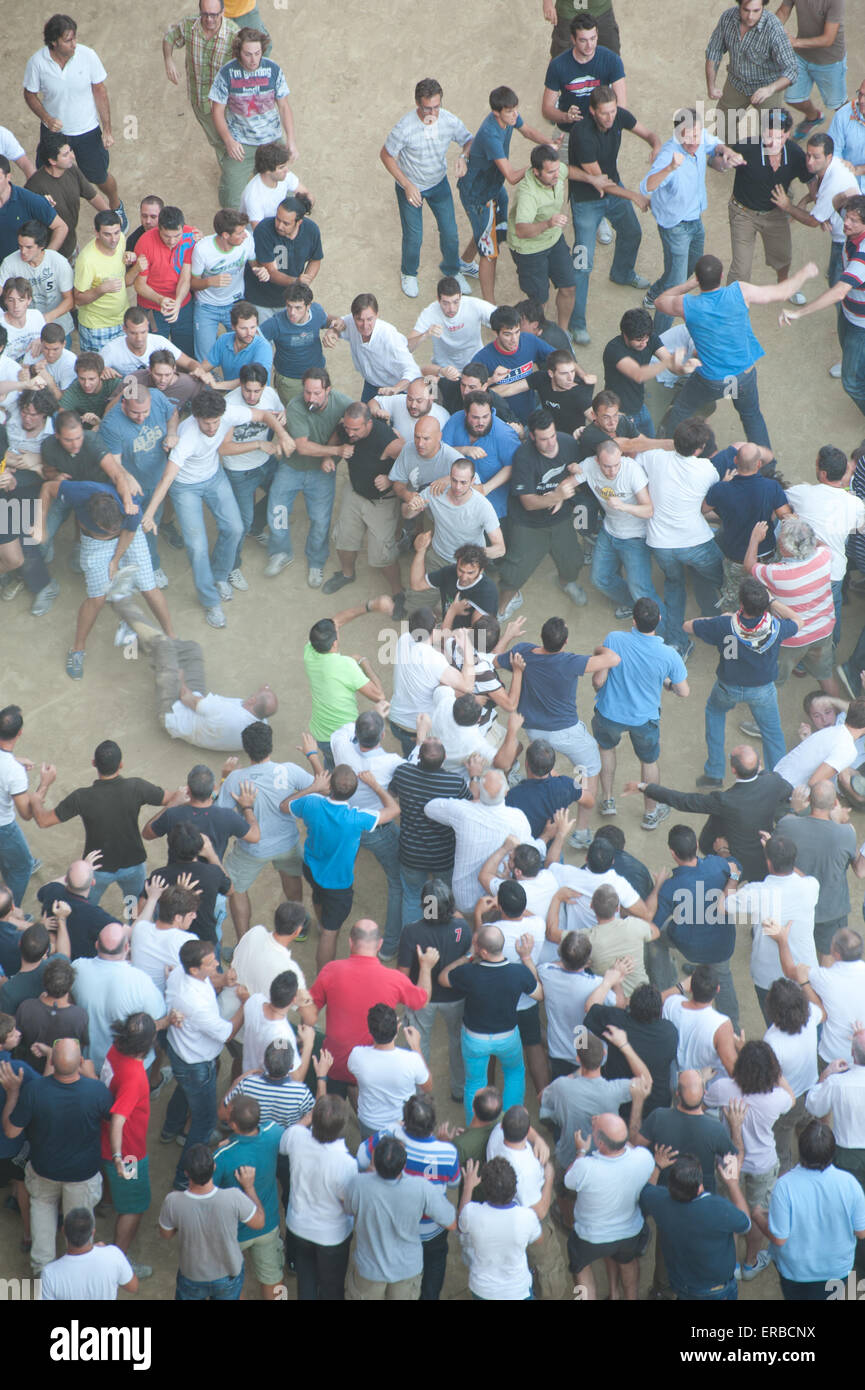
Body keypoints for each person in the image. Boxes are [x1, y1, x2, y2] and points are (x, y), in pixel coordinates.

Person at [141, 386, 292, 627]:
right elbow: (166, 479)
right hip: (185, 487)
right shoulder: (187, 436)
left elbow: (264, 415)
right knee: (197, 545)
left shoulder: (229, 412)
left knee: (235, 527)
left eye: (216, 422)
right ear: (196, 418)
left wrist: (282, 435)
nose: (212, 428)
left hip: (214, 476)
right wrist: (149, 514)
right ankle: (210, 601)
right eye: (206, 423)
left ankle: (220, 575)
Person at [656, 252, 819, 447]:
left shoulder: (686, 304)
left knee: (682, 409)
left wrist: (689, 285)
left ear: (698, 279)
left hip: (711, 380)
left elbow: (660, 301)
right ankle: (767, 468)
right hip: (743, 376)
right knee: (751, 416)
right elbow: (782, 292)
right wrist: (804, 273)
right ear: (722, 275)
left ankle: (665, 449)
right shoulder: (739, 291)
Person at [0, 1039, 112, 1276]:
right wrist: (92, 1076)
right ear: (81, 1062)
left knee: (41, 1213)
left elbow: (11, 1131)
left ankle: (43, 1273)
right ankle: (79, 1274)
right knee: (79, 1226)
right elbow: (113, 1119)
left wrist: (12, 1093)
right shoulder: (97, 1091)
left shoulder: (34, 1090)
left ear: (50, 1062)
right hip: (82, 1175)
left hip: (43, 1170)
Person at [283, 757, 399, 972]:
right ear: (353, 793)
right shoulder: (356, 817)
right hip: (338, 884)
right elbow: (393, 809)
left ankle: (321, 921)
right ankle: (324, 975)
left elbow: (284, 806)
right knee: (331, 932)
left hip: (311, 868)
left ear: (329, 786)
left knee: (318, 896)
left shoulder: (312, 802)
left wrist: (313, 788)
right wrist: (374, 785)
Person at [298, 919, 435, 1096]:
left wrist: (303, 1040)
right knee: (364, 1099)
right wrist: (426, 967)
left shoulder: (331, 970)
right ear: (380, 944)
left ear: (350, 942)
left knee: (331, 1109)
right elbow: (422, 1000)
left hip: (334, 1062)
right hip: (372, 1068)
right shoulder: (395, 979)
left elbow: (310, 1012)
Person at [566, 87, 659, 342]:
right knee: (582, 263)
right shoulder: (582, 134)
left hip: (613, 191)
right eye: (604, 113)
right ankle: (577, 323)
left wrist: (656, 145)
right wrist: (635, 196)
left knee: (632, 232)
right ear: (593, 111)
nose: (610, 118)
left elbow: (648, 133)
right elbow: (602, 182)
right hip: (588, 200)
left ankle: (622, 273)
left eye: (613, 111)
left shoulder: (619, 116)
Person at [684, 576, 798, 783]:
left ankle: (714, 773)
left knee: (715, 713)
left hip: (728, 687)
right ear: (765, 605)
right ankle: (779, 783)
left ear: (742, 603)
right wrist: (773, 602)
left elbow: (687, 626)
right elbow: (799, 620)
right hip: (762, 690)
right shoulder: (775, 626)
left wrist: (722, 618)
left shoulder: (724, 624)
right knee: (772, 734)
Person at [30, 738, 167, 908]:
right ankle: (132, 925)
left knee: (86, 905)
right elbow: (171, 798)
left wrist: (41, 788)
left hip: (97, 868)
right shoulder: (136, 786)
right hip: (133, 864)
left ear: (94, 763)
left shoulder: (81, 797)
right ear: (121, 764)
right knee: (132, 905)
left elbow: (43, 821)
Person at [641, 109, 743, 335]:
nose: (694, 142)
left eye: (697, 135)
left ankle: (653, 294)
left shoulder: (700, 136)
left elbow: (714, 144)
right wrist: (669, 168)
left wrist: (727, 151)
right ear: (678, 134)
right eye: (688, 137)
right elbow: (646, 186)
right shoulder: (669, 155)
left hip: (694, 219)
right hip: (675, 226)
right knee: (676, 288)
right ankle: (658, 339)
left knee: (691, 266)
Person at [590, 597, 688, 829]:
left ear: (633, 620)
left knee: (606, 750)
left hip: (608, 714)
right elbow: (683, 692)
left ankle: (607, 801)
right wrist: (666, 681)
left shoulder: (614, 638)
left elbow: (600, 676)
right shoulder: (669, 655)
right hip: (644, 720)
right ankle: (650, 813)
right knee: (649, 761)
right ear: (659, 620)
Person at [705, 1041, 796, 1279]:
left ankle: (731, 1265)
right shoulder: (777, 1097)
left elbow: (704, 1104)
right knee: (758, 1213)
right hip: (762, 1162)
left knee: (728, 1211)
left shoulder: (723, 1087)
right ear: (772, 1070)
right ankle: (750, 1263)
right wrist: (777, 1073)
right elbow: (792, 1098)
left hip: (729, 1161)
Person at [161, 938, 245, 1188]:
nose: (217, 963)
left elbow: (209, 980)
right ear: (195, 969)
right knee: (205, 1120)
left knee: (184, 1090)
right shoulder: (195, 1003)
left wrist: (221, 980)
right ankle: (182, 1179)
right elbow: (227, 1032)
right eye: (211, 963)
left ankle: (170, 1129)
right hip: (196, 1063)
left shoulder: (180, 974)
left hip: (180, 1051)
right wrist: (246, 1004)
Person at [380, 78, 473, 300]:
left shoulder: (448, 120)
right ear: (417, 103)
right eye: (427, 107)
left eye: (436, 106)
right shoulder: (404, 127)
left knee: (450, 232)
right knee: (414, 236)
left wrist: (463, 157)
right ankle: (409, 272)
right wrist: (406, 184)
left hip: (439, 184)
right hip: (412, 187)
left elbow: (469, 140)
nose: (432, 112)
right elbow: (386, 155)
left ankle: (451, 270)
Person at [457, 85, 551, 304]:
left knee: (486, 231)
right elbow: (510, 175)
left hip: (493, 186)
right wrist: (539, 165)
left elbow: (527, 131)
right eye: (509, 111)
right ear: (496, 113)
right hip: (478, 196)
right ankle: (490, 308)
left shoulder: (510, 118)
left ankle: (464, 262)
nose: (514, 114)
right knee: (490, 253)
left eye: (515, 109)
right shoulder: (490, 134)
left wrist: (548, 143)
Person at [438, 923, 540, 1123]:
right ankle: (513, 1125)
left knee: (475, 1083)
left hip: (475, 1039)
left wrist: (467, 957)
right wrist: (527, 958)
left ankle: (474, 1127)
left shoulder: (468, 972)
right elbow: (539, 994)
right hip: (508, 1037)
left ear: (482, 951)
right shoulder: (518, 972)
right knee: (514, 1074)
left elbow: (443, 978)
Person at [23, 16, 124, 219]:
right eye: (68, 40)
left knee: (99, 176)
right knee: (46, 177)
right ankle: (47, 218)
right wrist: (47, 118)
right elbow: (29, 94)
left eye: (74, 38)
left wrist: (107, 130)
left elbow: (100, 91)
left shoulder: (87, 56)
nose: (74, 44)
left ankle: (115, 206)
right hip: (54, 134)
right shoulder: (37, 62)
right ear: (54, 42)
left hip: (87, 131)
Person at [494, 412, 587, 623]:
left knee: (572, 560)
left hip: (560, 518)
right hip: (527, 522)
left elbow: (581, 471)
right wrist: (556, 496)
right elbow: (528, 502)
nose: (551, 443)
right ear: (532, 437)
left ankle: (567, 582)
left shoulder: (568, 442)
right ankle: (503, 606)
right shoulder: (523, 456)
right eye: (543, 439)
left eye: (552, 435)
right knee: (514, 571)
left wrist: (568, 484)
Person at [265, 367, 352, 588]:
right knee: (278, 512)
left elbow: (360, 415)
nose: (310, 398)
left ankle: (316, 561)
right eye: (307, 392)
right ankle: (281, 552)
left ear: (328, 390)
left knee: (321, 520)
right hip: (291, 466)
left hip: (320, 474)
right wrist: (335, 452)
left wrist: (379, 409)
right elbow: (302, 447)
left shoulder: (342, 403)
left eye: (316, 393)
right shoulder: (295, 406)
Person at [344, 1134, 456, 1301]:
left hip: (369, 1271)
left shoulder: (358, 1184)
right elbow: (451, 1222)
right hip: (406, 1270)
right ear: (404, 1164)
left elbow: (348, 1210)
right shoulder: (421, 1187)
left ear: (374, 1159)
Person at [330, 712, 404, 959]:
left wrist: (369, 720)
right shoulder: (391, 761)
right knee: (398, 882)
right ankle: (391, 945)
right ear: (383, 735)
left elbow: (342, 731)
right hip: (375, 829)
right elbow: (415, 767)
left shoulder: (342, 746)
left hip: (349, 824)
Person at [650, 824, 740, 1026]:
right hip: (722, 944)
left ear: (673, 854)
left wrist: (657, 887)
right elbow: (736, 865)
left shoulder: (670, 887)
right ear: (697, 845)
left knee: (656, 940)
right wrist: (723, 851)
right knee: (723, 978)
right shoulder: (718, 864)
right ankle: (733, 1028)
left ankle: (666, 986)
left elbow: (652, 926)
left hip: (689, 946)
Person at [769, 1118, 865, 1300]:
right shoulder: (850, 1184)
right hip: (837, 1270)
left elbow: (779, 1238)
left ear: (801, 1151)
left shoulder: (784, 1186)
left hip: (795, 1271)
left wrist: (758, 1216)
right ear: (832, 1152)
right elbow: (861, 1232)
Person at [563, 1112, 654, 1301]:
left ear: (600, 1143)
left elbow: (568, 1181)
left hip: (590, 1236)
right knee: (629, 1264)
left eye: (595, 1130)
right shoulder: (643, 1158)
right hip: (629, 1232)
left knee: (580, 1269)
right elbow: (626, 1147)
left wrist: (580, 1151)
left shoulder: (585, 1167)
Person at [640, 1149, 752, 1301]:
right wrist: (733, 1184)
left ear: (670, 1185)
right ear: (700, 1187)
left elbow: (647, 1189)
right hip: (715, 1289)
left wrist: (658, 1166)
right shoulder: (718, 1208)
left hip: (681, 1284)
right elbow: (746, 1223)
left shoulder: (660, 1201)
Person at [158, 1143, 266, 1301]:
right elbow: (259, 1222)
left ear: (186, 1173)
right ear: (214, 1167)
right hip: (228, 1274)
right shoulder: (233, 1197)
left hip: (192, 1275)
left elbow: (166, 1234)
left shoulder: (173, 1201)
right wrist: (249, 1188)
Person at [319, 402, 404, 602]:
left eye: (355, 429)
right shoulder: (345, 429)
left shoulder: (387, 439)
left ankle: (398, 592)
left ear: (369, 423)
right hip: (355, 492)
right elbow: (334, 440)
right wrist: (330, 455)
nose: (350, 433)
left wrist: (391, 479)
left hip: (382, 501)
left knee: (383, 554)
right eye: (347, 428)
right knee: (344, 540)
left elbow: (411, 463)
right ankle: (347, 574)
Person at [397, 878, 470, 1103]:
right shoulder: (461, 928)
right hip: (455, 996)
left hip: (422, 998)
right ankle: (458, 1089)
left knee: (420, 1042)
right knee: (457, 1041)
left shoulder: (411, 932)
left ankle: (421, 1093)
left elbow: (402, 972)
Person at [424, 766, 535, 912]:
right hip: (501, 897)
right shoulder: (518, 818)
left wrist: (472, 798)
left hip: (465, 899)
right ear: (507, 792)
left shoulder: (463, 811)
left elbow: (429, 807)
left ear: (479, 791)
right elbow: (530, 854)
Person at [281, 1092, 357, 1301]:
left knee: (306, 1282)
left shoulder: (296, 1137)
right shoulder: (346, 1163)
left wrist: (307, 1118)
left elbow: (285, 1142)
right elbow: (349, 1204)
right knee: (331, 1287)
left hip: (298, 1228)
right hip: (331, 1237)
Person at [208, 27, 295, 209]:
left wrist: (291, 141)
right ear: (239, 52)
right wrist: (229, 141)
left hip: (271, 140)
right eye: (248, 54)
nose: (254, 60)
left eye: (257, 53)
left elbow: (284, 106)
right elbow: (217, 111)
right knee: (230, 195)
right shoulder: (227, 73)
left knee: (284, 193)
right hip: (241, 142)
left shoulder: (273, 69)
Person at [99, 1011, 157, 1278]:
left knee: (112, 1185)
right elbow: (119, 1120)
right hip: (129, 1152)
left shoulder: (116, 1047)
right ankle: (118, 1261)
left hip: (101, 1138)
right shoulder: (135, 1076)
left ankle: (107, 1201)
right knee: (135, 1207)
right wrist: (120, 1157)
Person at [506, 144, 580, 343]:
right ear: (536, 171)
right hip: (529, 249)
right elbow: (521, 230)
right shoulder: (528, 193)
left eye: (556, 169)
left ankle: (561, 332)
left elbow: (567, 171)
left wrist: (593, 179)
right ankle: (540, 337)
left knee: (569, 287)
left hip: (553, 240)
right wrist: (549, 223)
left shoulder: (556, 171)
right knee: (540, 301)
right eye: (550, 172)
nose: (556, 175)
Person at [211, 1094, 283, 1299]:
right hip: (268, 1226)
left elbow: (207, 1193)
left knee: (232, 1283)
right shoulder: (273, 1132)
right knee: (274, 1278)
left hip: (234, 1232)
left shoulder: (221, 1156)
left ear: (233, 1124)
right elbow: (294, 1129)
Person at [776, 781, 856, 961]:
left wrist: (794, 810)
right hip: (831, 909)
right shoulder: (846, 832)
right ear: (835, 803)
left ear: (808, 801)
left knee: (795, 954)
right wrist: (844, 820)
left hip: (797, 906)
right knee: (828, 954)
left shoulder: (787, 824)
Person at [71, 923, 165, 1074]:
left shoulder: (77, 968)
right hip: (128, 1066)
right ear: (127, 948)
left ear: (96, 945)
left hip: (90, 1062)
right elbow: (159, 1013)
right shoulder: (140, 981)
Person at [458, 1154, 548, 1301]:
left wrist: (468, 1186)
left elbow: (462, 1223)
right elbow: (539, 1240)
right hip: (517, 1291)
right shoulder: (527, 1217)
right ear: (514, 1189)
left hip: (483, 1289)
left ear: (485, 1189)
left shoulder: (472, 1213)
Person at [705, 0, 798, 140]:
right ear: (739, 5)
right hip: (736, 82)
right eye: (746, 10)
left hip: (767, 87)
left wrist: (770, 89)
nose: (750, 16)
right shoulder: (727, 18)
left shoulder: (773, 28)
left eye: (756, 11)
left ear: (763, 7)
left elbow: (792, 69)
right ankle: (728, 157)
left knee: (773, 134)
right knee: (723, 128)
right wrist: (711, 86)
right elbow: (714, 51)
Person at [163, 1, 240, 155]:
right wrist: (168, 60)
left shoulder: (234, 35)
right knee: (218, 142)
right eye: (205, 14)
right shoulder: (188, 25)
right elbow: (169, 38)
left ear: (223, 12)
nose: (209, 19)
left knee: (233, 139)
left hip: (225, 103)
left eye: (214, 15)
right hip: (199, 99)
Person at [407, 278, 495, 410]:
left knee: (478, 407)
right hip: (443, 371)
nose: (451, 308)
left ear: (461, 296)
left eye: (455, 302)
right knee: (431, 405)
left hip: (474, 368)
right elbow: (407, 348)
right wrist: (425, 334)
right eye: (445, 303)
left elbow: (502, 319)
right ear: (438, 299)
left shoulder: (474, 305)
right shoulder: (430, 313)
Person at [764, 977, 823, 1173]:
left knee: (781, 1148)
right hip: (812, 1090)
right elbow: (822, 1013)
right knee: (809, 1132)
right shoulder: (811, 1015)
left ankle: (786, 1177)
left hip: (790, 1101)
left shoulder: (772, 1040)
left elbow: (770, 1076)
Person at [25, 131, 109, 262]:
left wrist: (110, 216)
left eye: (70, 151)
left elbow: (92, 196)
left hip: (71, 247)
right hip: (48, 256)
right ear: (52, 160)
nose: (72, 156)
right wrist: (45, 260)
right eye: (65, 154)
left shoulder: (71, 170)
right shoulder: (34, 188)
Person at [0, 703, 53, 906]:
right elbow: (27, 814)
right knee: (22, 867)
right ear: (19, 733)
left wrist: (13, 760)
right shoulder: (14, 772)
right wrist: (44, 784)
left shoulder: (12, 766)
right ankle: (10, 914)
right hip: (3, 828)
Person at [324, 293, 420, 402]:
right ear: (353, 317)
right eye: (360, 320)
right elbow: (340, 322)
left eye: (370, 319)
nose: (365, 326)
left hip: (396, 389)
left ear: (377, 315)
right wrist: (332, 331)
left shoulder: (390, 336)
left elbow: (413, 370)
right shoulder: (351, 321)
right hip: (371, 384)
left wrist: (396, 389)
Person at [243, 198, 324, 325]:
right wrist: (296, 282)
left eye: (286, 223)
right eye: (277, 219)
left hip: (290, 302)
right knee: (264, 343)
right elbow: (270, 272)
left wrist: (306, 281)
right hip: (261, 299)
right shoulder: (264, 230)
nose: (279, 226)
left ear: (299, 222)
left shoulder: (311, 230)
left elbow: (316, 259)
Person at [72, 210, 139, 354]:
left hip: (121, 321)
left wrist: (129, 256)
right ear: (97, 233)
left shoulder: (121, 239)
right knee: (98, 371)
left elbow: (120, 270)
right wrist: (100, 289)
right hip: (96, 327)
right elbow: (78, 298)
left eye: (116, 232)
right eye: (107, 234)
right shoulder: (87, 261)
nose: (113, 239)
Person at [258, 281, 331, 409]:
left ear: (308, 306)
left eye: (298, 308)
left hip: (318, 375)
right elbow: (255, 340)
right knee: (295, 416)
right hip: (289, 381)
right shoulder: (276, 323)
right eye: (289, 306)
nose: (292, 312)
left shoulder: (317, 311)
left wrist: (334, 330)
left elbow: (330, 321)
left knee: (321, 411)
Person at [40, 1207, 138, 1301]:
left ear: (63, 1231)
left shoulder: (49, 1273)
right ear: (92, 1232)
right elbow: (133, 1287)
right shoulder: (113, 1254)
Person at [239, 141, 312, 227]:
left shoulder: (284, 175)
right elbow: (259, 233)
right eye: (281, 167)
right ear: (267, 171)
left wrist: (295, 219)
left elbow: (307, 195)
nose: (287, 170)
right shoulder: (253, 196)